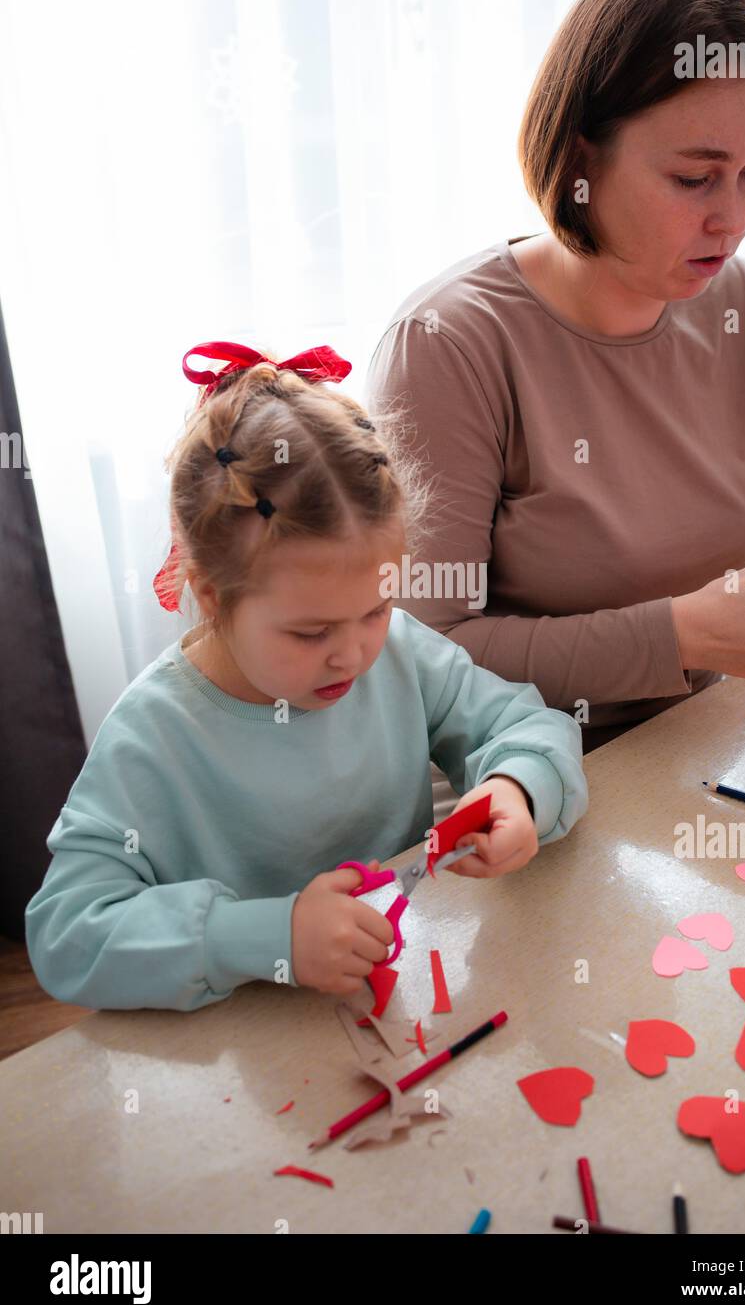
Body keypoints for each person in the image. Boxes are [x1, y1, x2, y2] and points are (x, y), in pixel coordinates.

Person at [365, 0, 745, 763]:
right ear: (579, 163)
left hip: (702, 747)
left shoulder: (742, 303)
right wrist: (676, 634)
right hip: (520, 786)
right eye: (694, 177)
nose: (733, 216)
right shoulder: (448, 346)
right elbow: (427, 657)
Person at [24, 341, 587, 1012]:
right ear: (208, 593)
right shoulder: (153, 735)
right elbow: (66, 935)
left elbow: (532, 725)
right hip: (244, 1058)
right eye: (311, 632)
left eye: (377, 608)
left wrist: (518, 789)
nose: (352, 653)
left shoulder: (400, 651)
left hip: (400, 1013)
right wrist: (261, 935)